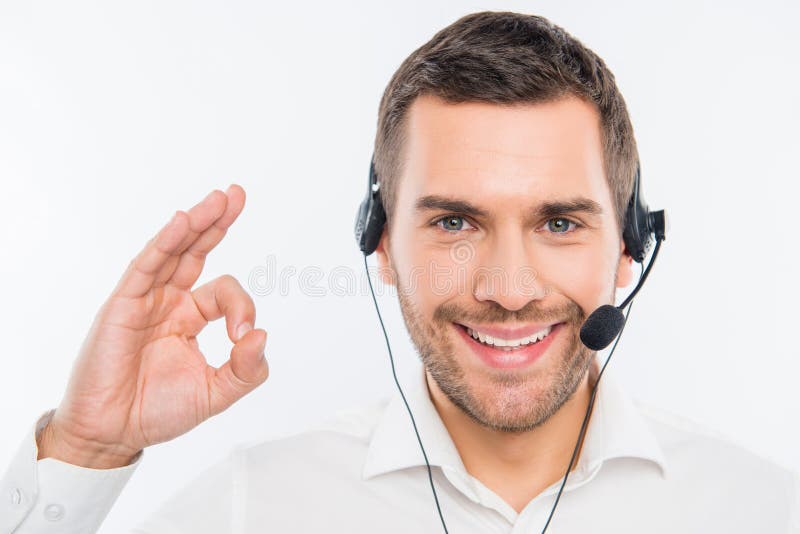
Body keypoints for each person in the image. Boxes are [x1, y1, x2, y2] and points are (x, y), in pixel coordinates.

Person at [2, 10, 797, 534]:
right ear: (379, 241)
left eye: (558, 223)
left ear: (629, 246)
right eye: (455, 221)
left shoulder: (759, 511)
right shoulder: (255, 508)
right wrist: (86, 449)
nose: (509, 289)